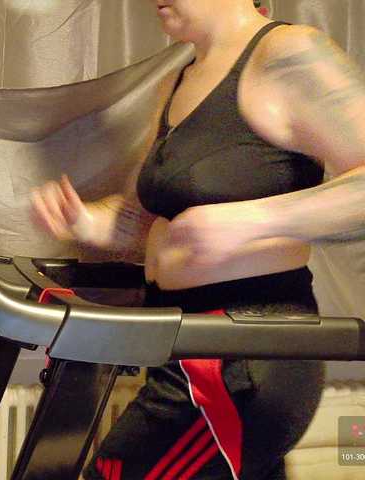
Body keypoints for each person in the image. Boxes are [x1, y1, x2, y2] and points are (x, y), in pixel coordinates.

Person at [30, 0, 365, 479]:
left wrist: (258, 220)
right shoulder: (177, 81)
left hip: (242, 359)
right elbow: (160, 226)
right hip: (183, 345)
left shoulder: (288, 54)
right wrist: (87, 223)